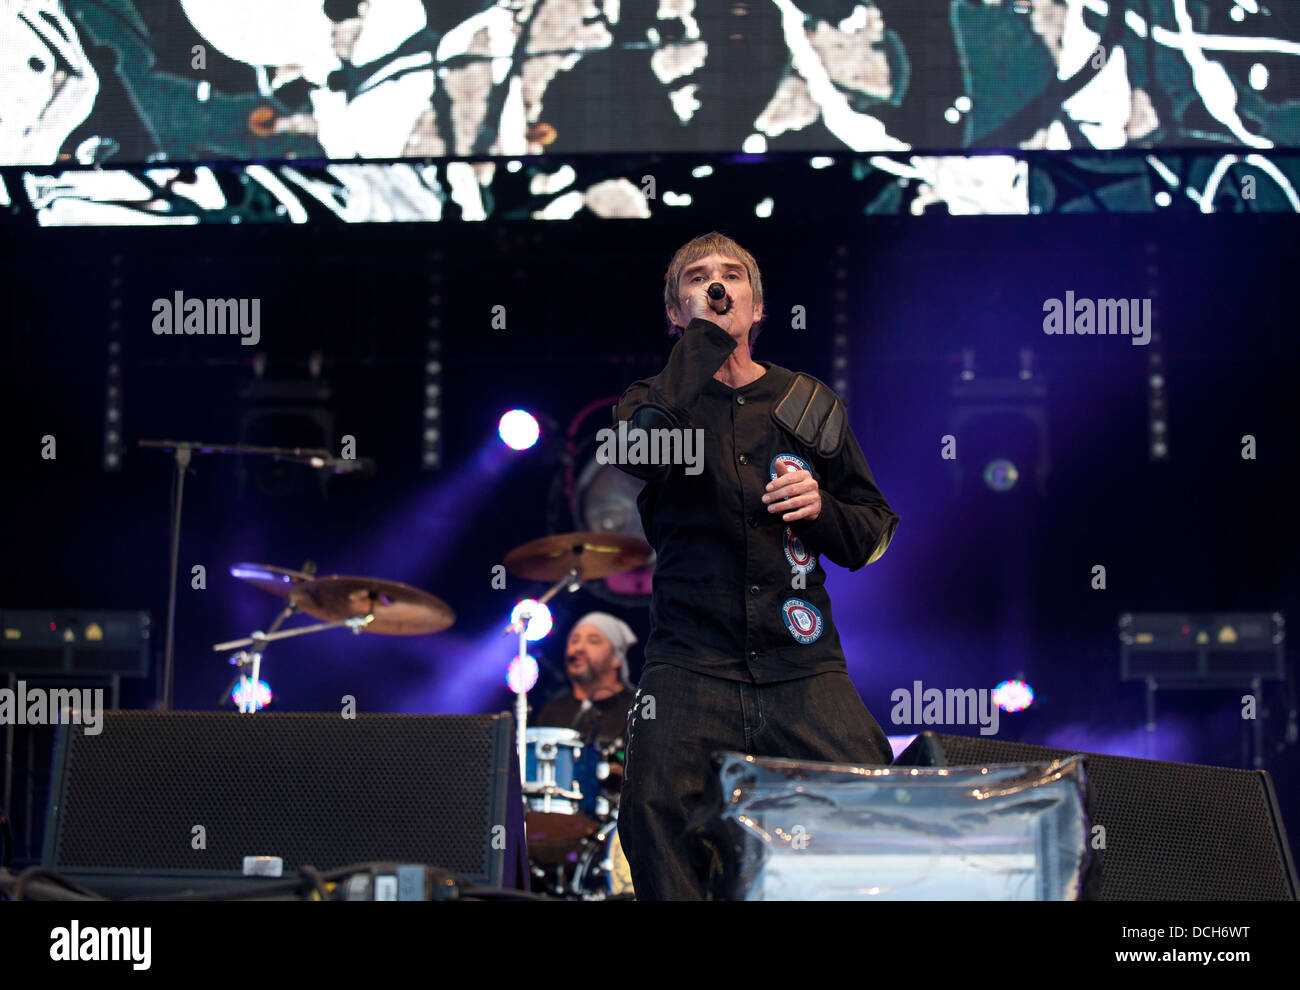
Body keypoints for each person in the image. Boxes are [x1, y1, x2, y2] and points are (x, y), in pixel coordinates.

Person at [613, 231, 900, 900]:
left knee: (880, 806)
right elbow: (639, 452)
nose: (718, 287)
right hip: (691, 663)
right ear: (675, 311)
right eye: (698, 279)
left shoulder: (806, 403)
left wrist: (821, 507)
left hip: (800, 661)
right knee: (653, 812)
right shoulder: (655, 404)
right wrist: (704, 343)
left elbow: (872, 532)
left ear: (758, 304)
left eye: (732, 276)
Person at [535, 612, 638, 757]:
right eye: (574, 641)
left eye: (593, 641)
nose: (579, 648)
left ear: (617, 658)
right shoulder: (551, 713)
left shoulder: (638, 708)